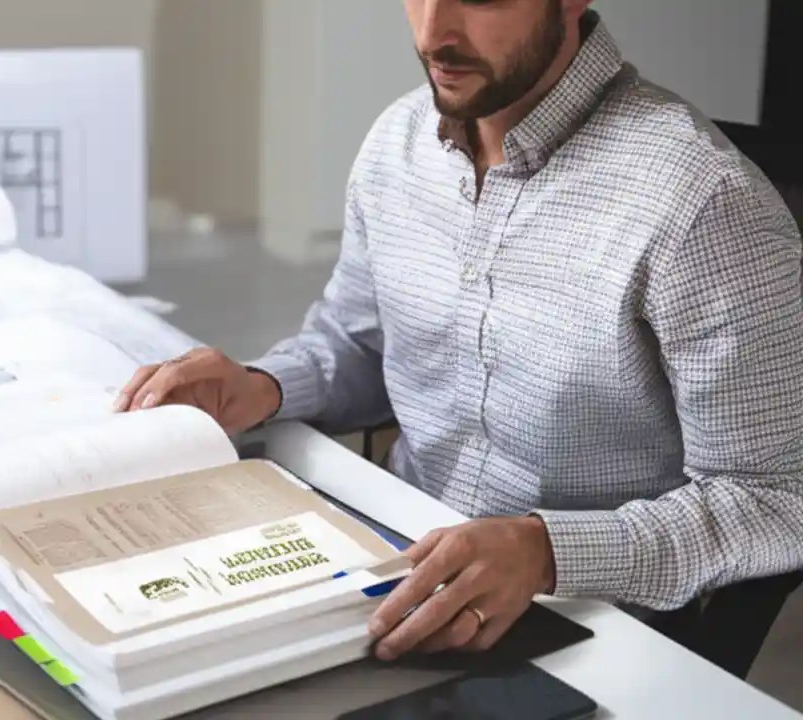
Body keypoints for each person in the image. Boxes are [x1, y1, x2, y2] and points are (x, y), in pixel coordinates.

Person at [115, 0, 803, 661]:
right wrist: (259, 386)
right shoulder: (397, 142)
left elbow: (777, 501)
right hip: (382, 557)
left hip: (580, 624)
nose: (434, 31)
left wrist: (545, 552)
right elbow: (360, 346)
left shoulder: (706, 205)